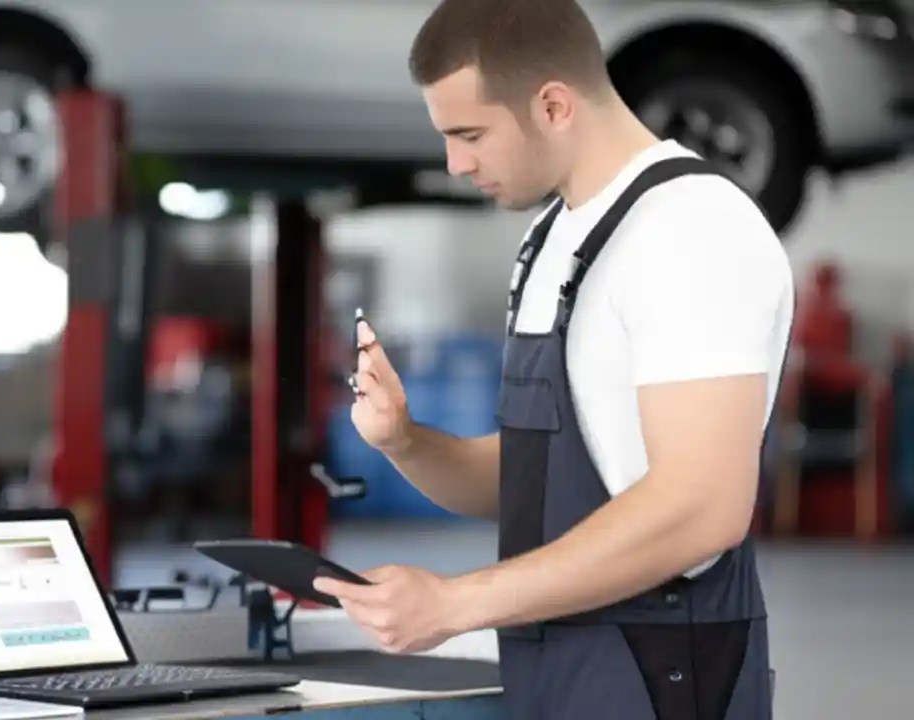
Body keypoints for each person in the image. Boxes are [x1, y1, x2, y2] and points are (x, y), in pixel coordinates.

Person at [311, 0, 795, 717]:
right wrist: (406, 442)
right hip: (554, 664)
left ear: (553, 105)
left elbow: (702, 509)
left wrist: (453, 602)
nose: (454, 161)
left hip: (658, 671)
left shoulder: (691, 229)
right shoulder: (553, 236)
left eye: (470, 133)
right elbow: (534, 481)